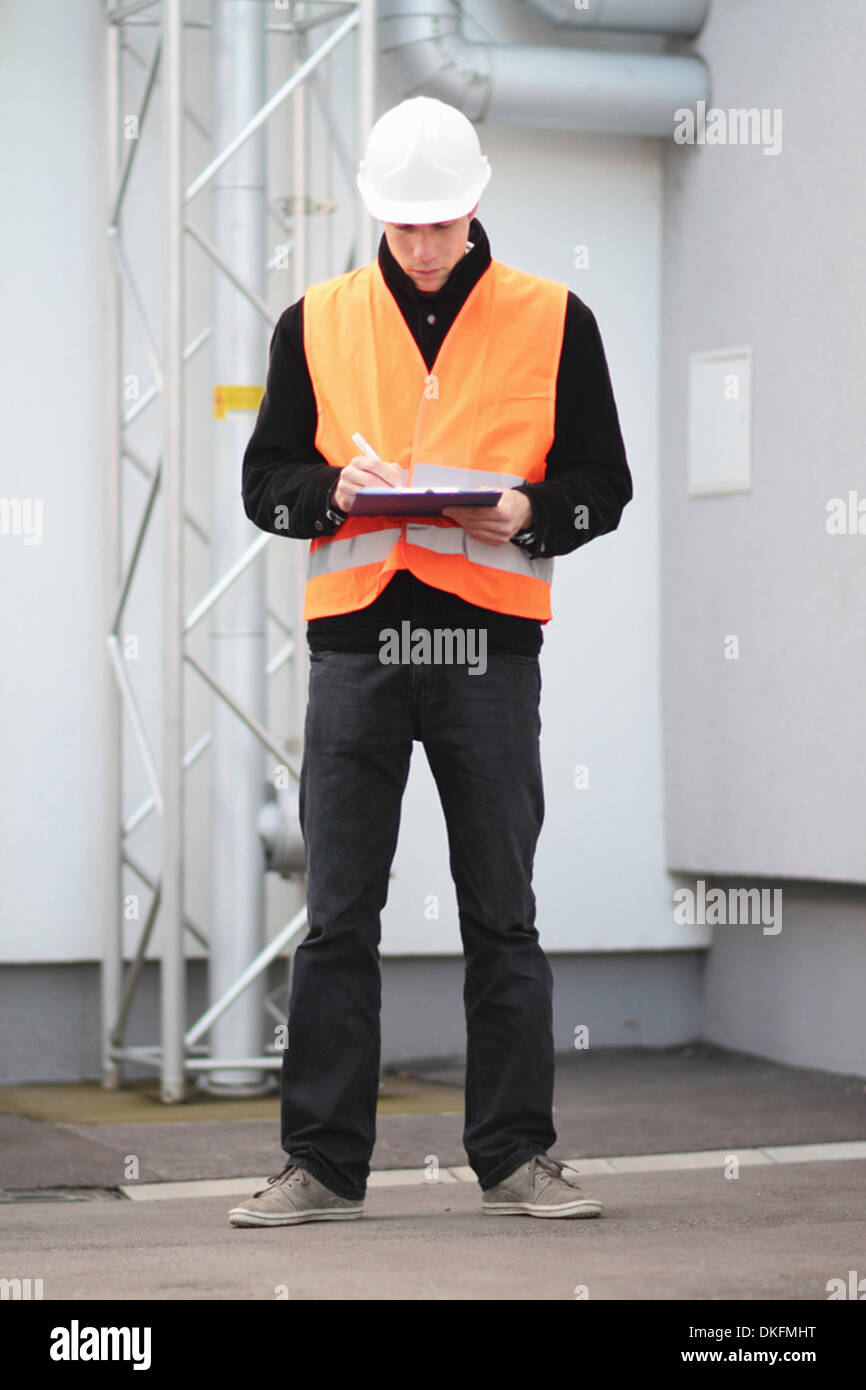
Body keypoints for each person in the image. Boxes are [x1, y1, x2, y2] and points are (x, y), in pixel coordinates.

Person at [229, 96, 632, 1228]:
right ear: (376, 214)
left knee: (499, 911)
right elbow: (266, 482)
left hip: (486, 652)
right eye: (403, 227)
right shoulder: (315, 320)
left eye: (439, 225)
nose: (420, 246)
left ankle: (514, 1157)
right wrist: (331, 493)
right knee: (338, 917)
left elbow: (604, 479)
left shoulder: (555, 318)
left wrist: (532, 510)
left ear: (474, 205)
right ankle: (319, 1164)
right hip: (356, 646)